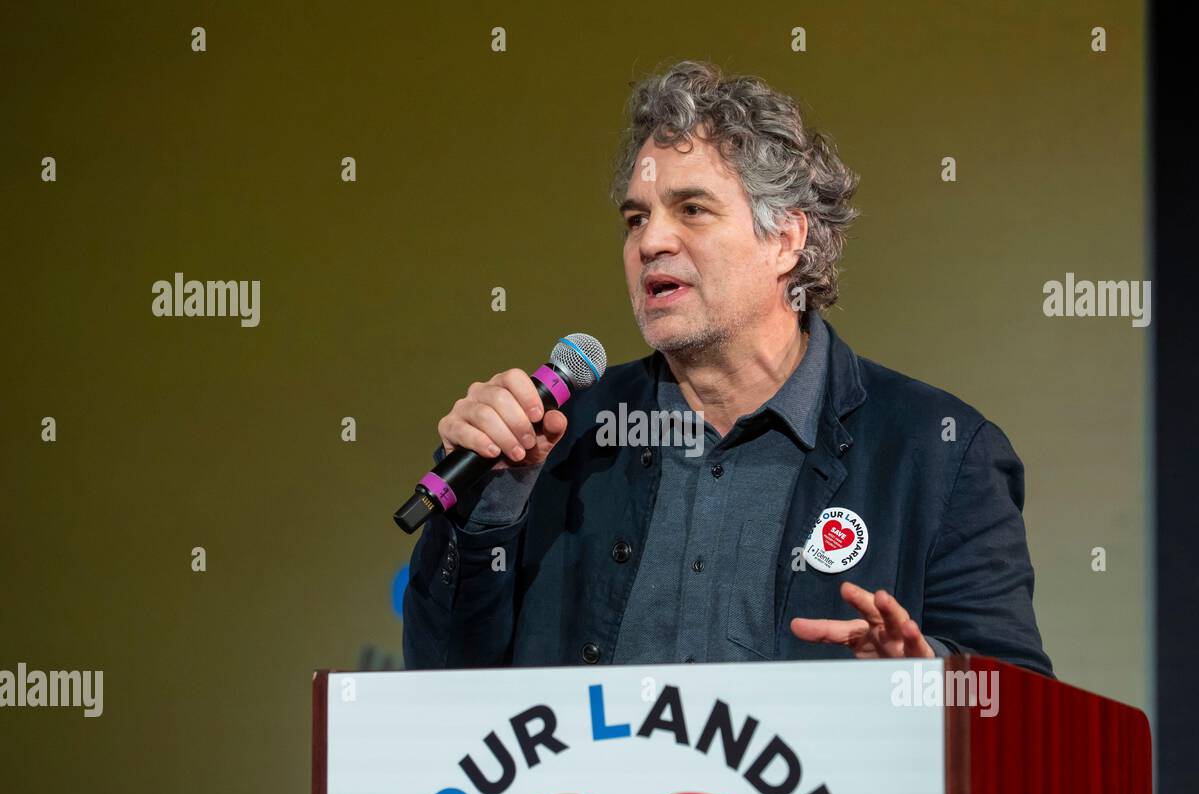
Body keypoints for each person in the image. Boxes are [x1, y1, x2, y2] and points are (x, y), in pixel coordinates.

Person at [403, 60, 1054, 678]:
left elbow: (1024, 716)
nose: (650, 241)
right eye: (636, 218)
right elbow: (439, 690)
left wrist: (928, 679)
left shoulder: (939, 453)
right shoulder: (553, 440)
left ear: (786, 239)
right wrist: (489, 508)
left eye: (691, 209)